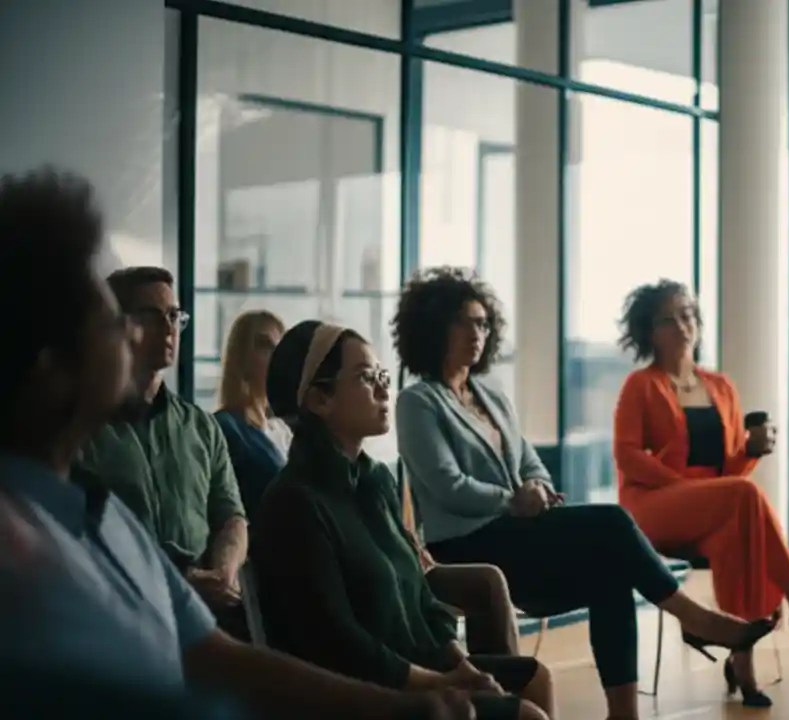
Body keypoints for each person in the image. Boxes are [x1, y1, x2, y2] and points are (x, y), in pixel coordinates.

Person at [0, 167, 473, 720]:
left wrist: (399, 708)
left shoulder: (102, 516)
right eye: (111, 324)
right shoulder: (18, 545)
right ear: (50, 366)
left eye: (168, 317)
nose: (135, 335)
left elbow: (218, 655)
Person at [393, 267, 775, 720]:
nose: (476, 333)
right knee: (612, 521)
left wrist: (538, 488)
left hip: (517, 534)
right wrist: (512, 501)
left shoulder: (492, 398)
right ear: (434, 327)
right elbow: (447, 486)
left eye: (483, 323)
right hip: (465, 544)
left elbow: (530, 462)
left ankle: (624, 714)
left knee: (610, 574)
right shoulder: (418, 402)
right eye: (463, 322)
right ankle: (692, 617)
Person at [254, 320, 552, 720]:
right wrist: (438, 683)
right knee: (527, 716)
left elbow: (422, 599)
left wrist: (461, 666)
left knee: (536, 679)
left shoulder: (375, 481)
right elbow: (336, 644)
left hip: (420, 665)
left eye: (382, 375)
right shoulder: (294, 502)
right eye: (366, 377)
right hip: (366, 691)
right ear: (319, 399)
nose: (383, 389)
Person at [613, 280, 789, 707]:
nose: (682, 326)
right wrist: (687, 487)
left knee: (736, 535)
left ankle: (742, 664)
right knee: (743, 496)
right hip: (654, 504)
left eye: (687, 315)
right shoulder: (641, 385)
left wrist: (751, 450)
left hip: (713, 504)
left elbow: (729, 471)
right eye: (668, 320)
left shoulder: (721, 386)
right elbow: (628, 456)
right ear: (649, 332)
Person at [77, 265, 249, 634]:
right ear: (120, 326)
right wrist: (179, 582)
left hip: (207, 617)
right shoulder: (83, 429)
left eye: (173, 316)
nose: (168, 328)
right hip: (122, 617)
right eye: (152, 316)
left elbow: (232, 516)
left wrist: (223, 571)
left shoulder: (201, 427)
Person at [214, 310, 291, 522]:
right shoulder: (224, 428)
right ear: (242, 358)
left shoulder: (283, 430)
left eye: (280, 348)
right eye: (265, 346)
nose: (276, 357)